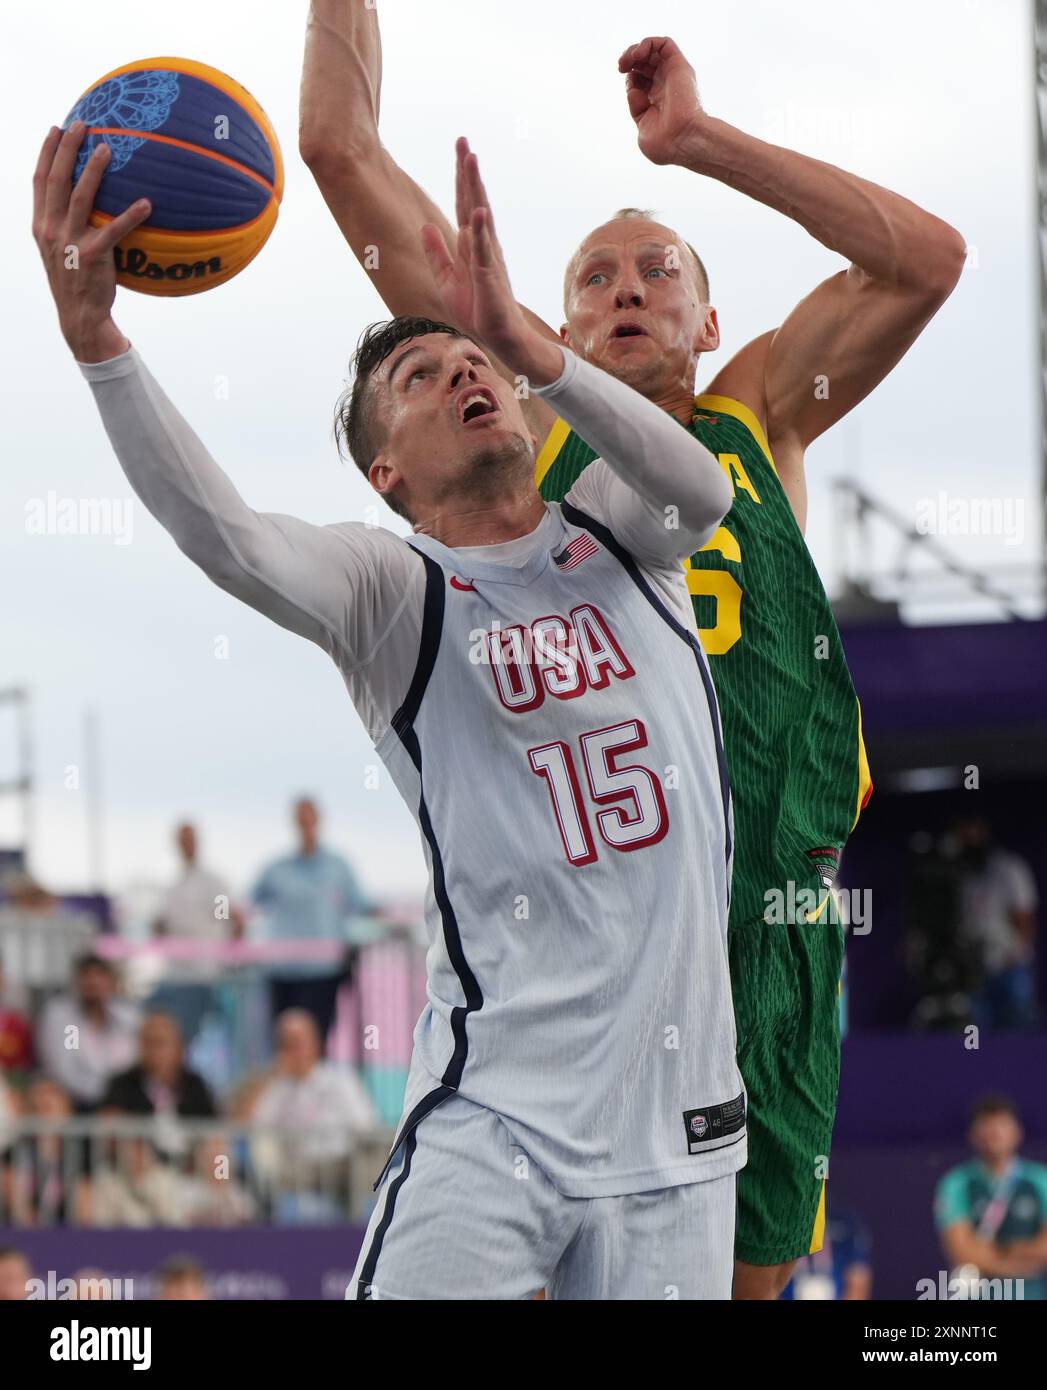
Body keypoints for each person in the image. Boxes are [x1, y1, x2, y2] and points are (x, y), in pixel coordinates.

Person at [299, 8, 965, 1298]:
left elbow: (927, 260)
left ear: (710, 323)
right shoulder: (518, 417)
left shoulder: (759, 413)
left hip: (773, 922)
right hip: (597, 944)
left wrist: (701, 142)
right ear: (538, 325)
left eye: (659, 271)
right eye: (595, 277)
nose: (626, 289)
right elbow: (338, 146)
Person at [35, 120, 739, 1299]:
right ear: (387, 475)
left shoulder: (621, 525)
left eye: (474, 362)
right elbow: (228, 536)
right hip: (498, 1117)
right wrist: (97, 341)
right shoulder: (395, 589)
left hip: (680, 1130)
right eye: (421, 377)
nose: (465, 372)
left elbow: (703, 490)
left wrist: (530, 343)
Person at [252, 797, 371, 1046]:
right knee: (283, 1044)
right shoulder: (277, 868)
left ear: (317, 819)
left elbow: (361, 908)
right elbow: (250, 904)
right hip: (284, 971)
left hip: (323, 973)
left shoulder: (338, 867)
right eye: (301, 818)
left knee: (317, 1043)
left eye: (309, 817)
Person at [248, 1010, 375, 1222]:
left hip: (340, 1164)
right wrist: (273, 1077)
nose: (293, 1051)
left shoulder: (340, 1079)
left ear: (315, 1043)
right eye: (286, 1044)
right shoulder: (278, 1088)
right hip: (297, 1169)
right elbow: (258, 1125)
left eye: (297, 1042)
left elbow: (366, 1125)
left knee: (362, 1167)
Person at [935, 1095, 1047, 1300]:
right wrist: (1019, 1262)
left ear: (1017, 1132)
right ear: (972, 1135)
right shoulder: (957, 1183)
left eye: (1001, 1125)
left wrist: (1002, 1250)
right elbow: (962, 1251)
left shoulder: (1040, 1180)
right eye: (985, 1126)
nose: (994, 1133)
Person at [151, 821, 243, 1045]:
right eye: (183, 840)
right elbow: (163, 925)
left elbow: (232, 921)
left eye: (190, 839)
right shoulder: (173, 885)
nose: (187, 845)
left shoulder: (213, 883)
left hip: (205, 975)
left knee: (194, 1037)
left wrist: (227, 962)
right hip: (176, 975)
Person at [952, 816, 1039, 1031]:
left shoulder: (1009, 868)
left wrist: (1018, 953)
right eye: (963, 835)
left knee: (1018, 1029)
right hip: (974, 967)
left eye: (973, 833)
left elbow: (1025, 916)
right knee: (975, 1032)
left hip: (1010, 965)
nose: (969, 839)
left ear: (984, 833)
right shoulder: (959, 872)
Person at [100, 1014, 217, 1162]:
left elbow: (213, 1127)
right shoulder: (122, 1084)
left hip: (189, 1165)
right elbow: (108, 1124)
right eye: (147, 1043)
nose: (153, 1051)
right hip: (140, 1166)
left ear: (179, 1048)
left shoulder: (195, 1085)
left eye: (160, 1043)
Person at [37, 955, 139, 1112]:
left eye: (100, 975)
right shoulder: (66, 1019)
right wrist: (105, 1097)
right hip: (79, 1104)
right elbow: (67, 1070)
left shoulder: (126, 1016)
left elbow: (133, 1060)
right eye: (86, 975)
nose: (93, 982)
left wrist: (117, 1096)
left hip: (122, 1102)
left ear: (110, 981)